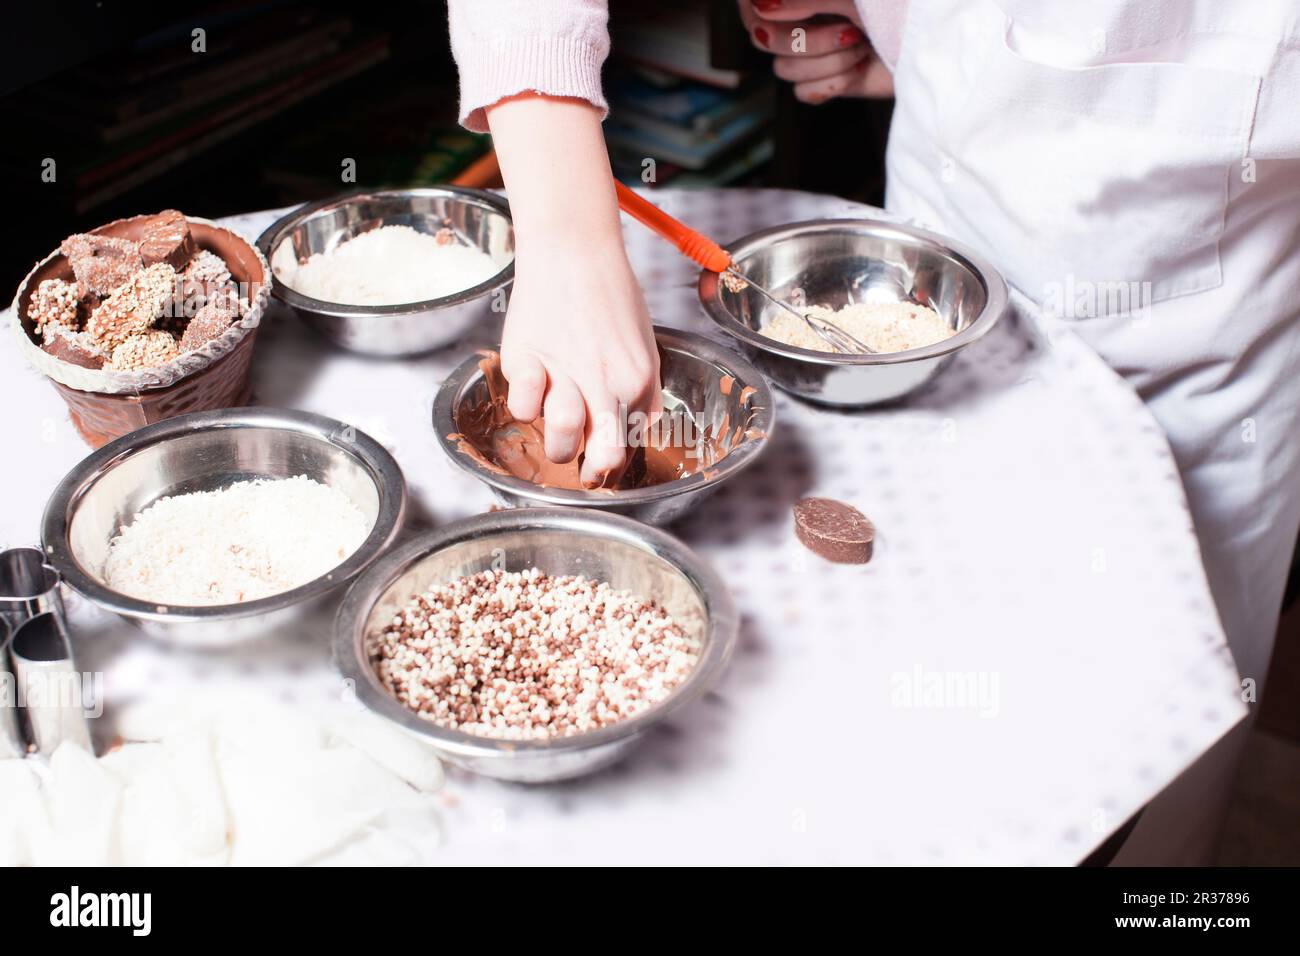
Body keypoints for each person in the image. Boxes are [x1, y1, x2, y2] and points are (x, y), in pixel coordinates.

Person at [448, 0, 1300, 861]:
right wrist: (936, 51)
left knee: (1130, 770)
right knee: (894, 756)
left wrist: (1128, 84)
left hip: (1186, 344)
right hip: (927, 262)